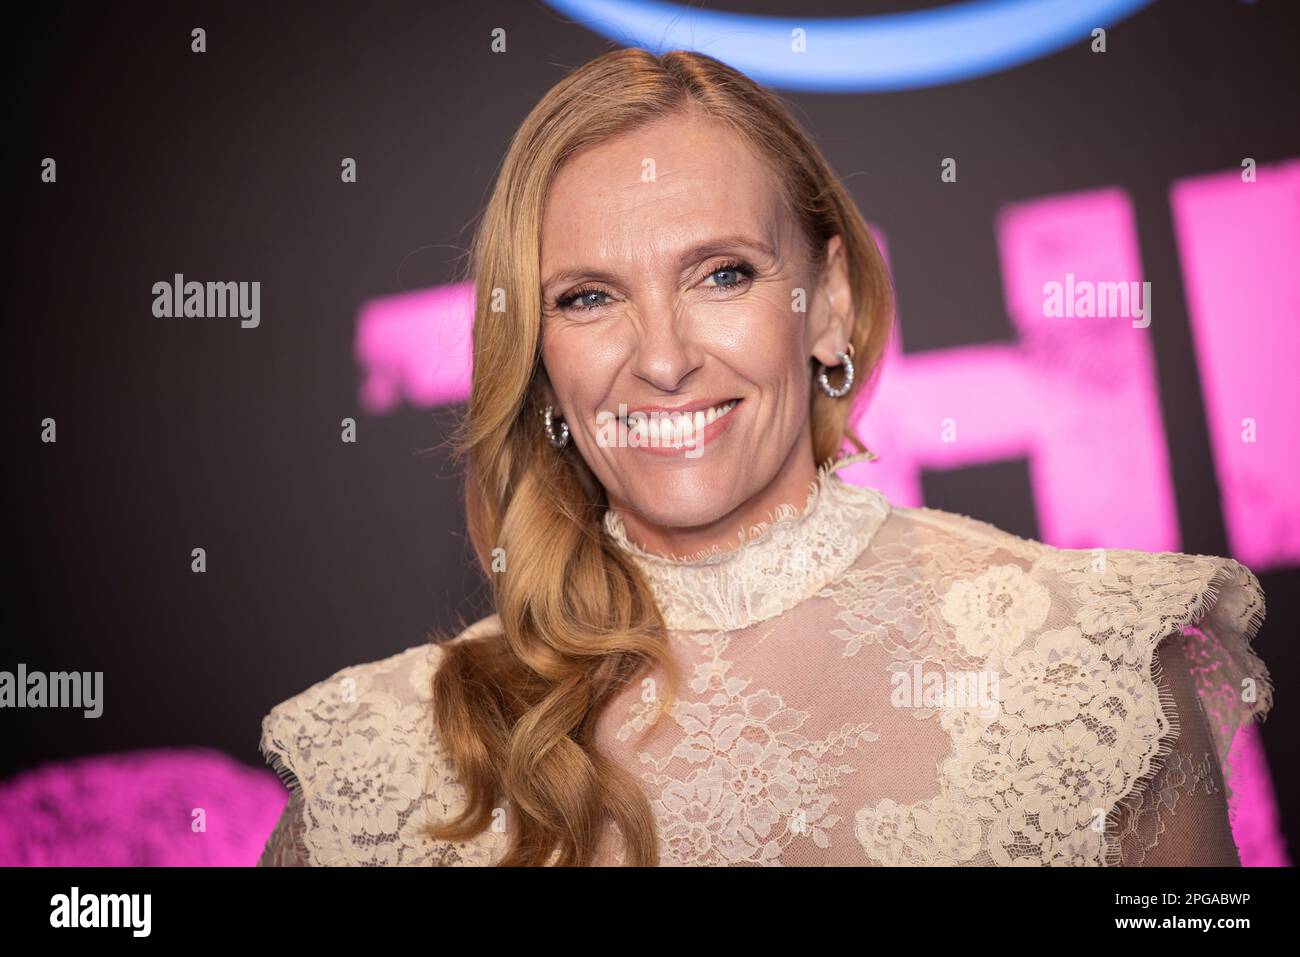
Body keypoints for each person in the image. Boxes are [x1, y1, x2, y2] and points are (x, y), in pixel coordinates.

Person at [256, 48, 1272, 867]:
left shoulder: (1088, 673)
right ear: (537, 356)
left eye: (722, 274)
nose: (660, 359)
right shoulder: (381, 764)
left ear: (829, 301)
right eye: (588, 297)